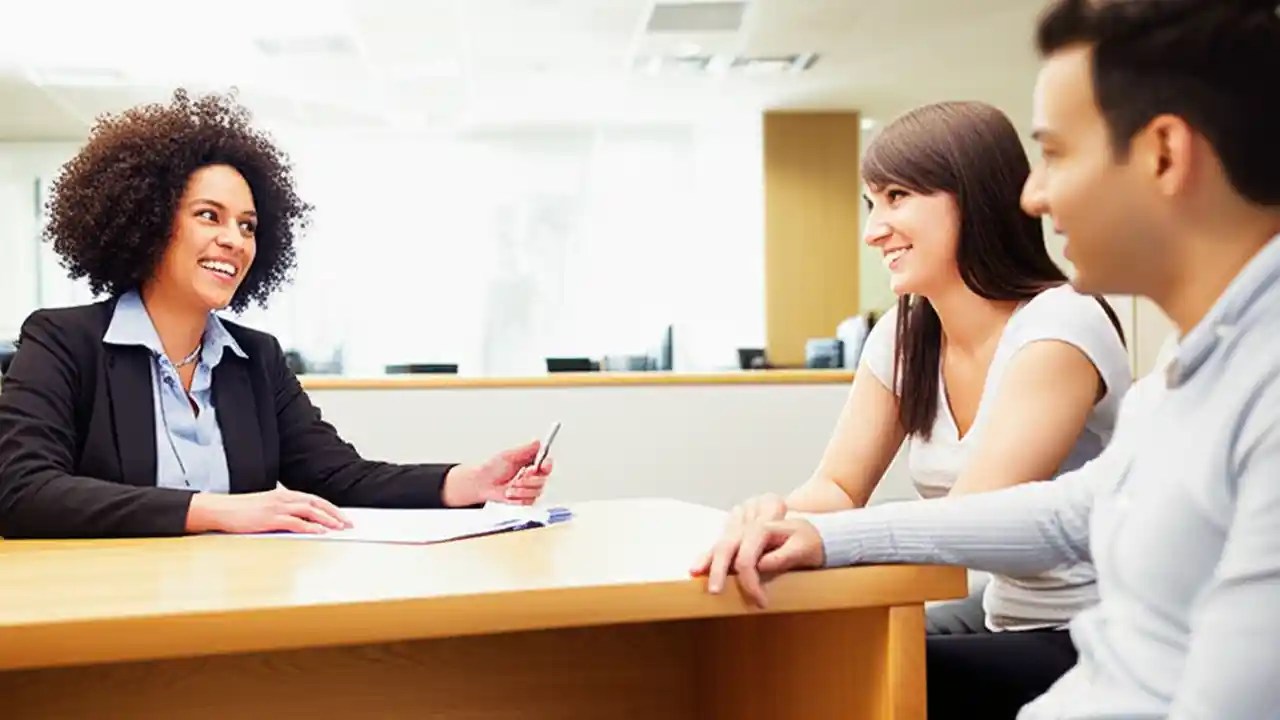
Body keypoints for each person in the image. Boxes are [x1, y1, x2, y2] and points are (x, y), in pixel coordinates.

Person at [696, 0, 1280, 717]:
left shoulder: (1217, 371)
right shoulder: (1185, 375)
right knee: (804, 656)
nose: (1033, 194)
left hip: (1056, 628)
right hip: (1020, 616)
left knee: (836, 681)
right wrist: (806, 526)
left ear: (1164, 153)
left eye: (1057, 153)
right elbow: (1069, 512)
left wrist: (829, 537)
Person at [0, 90, 553, 540]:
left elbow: (341, 475)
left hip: (245, 601)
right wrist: (216, 511)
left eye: (247, 225)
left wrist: (471, 481)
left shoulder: (255, 358)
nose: (233, 240)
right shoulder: (62, 341)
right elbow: (22, 492)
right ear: (146, 221)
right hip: (112, 608)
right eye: (208, 216)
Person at [694, 100, 1133, 639]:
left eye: (897, 198)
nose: (873, 231)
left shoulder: (1060, 325)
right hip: (1005, 611)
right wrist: (773, 518)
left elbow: (972, 518)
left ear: (974, 202)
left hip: (1101, 630)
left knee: (855, 679)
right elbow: (837, 485)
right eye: (870, 204)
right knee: (821, 654)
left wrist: (822, 539)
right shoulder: (905, 336)